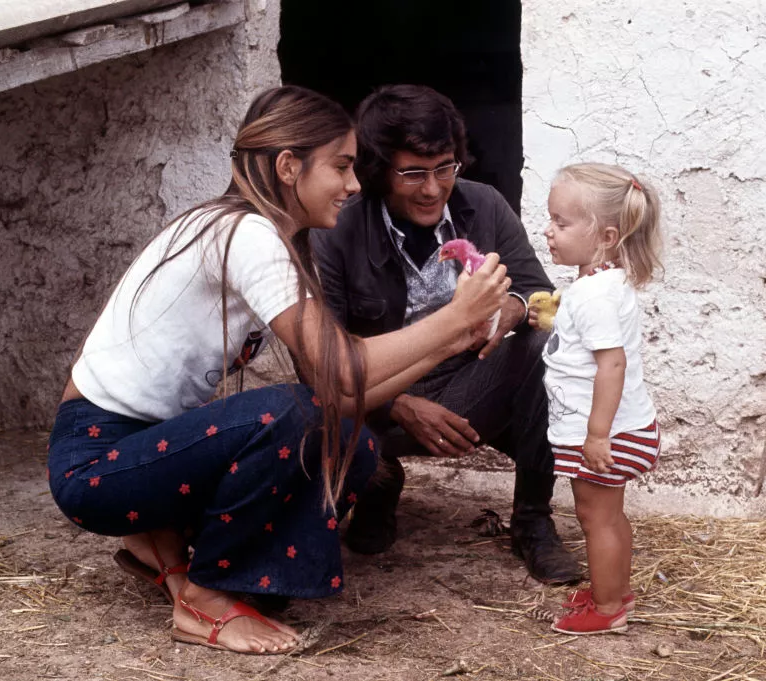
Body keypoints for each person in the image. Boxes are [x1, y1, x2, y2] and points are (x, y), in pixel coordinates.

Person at [47, 86, 509, 655]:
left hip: (144, 450)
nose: (355, 184)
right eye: (341, 166)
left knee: (355, 446)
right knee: (291, 413)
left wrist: (456, 337)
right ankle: (205, 598)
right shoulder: (245, 234)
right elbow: (339, 376)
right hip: (96, 462)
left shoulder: (260, 233)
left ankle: (163, 546)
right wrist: (453, 317)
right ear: (289, 167)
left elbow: (339, 398)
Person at [307, 84, 581, 584]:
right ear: (376, 169)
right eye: (412, 172)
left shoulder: (486, 206)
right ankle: (377, 485)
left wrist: (510, 315)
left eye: (445, 168)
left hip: (470, 383)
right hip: (379, 394)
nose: (433, 188)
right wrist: (399, 405)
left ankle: (533, 523)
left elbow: (536, 292)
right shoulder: (338, 228)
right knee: (314, 407)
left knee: (548, 347)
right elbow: (325, 356)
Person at [534, 162, 664, 635]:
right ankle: (615, 589)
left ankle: (608, 610)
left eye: (561, 223)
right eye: (551, 219)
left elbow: (612, 364)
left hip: (605, 433)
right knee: (607, 514)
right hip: (619, 428)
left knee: (596, 519)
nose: (548, 231)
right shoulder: (601, 285)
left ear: (606, 236)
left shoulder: (593, 296)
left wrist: (596, 435)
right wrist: (554, 325)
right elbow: (591, 347)